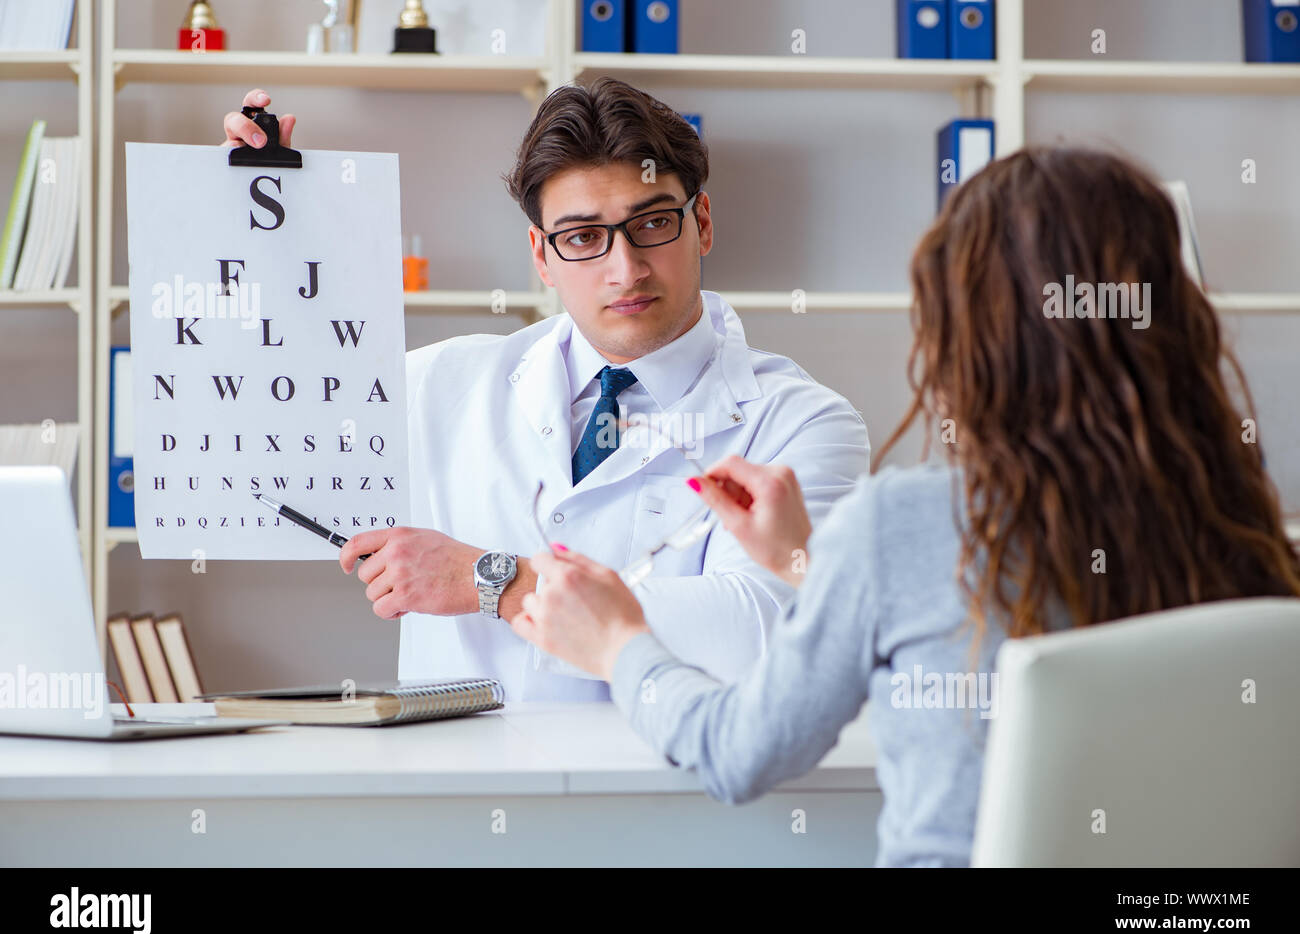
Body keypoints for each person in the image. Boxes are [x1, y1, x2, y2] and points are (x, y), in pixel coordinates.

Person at [507, 146, 1300, 865]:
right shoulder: (1242, 527)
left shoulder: (903, 521)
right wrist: (805, 561)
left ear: (972, 335)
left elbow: (735, 751)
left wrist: (618, 643)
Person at [221, 83, 869, 701]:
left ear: (700, 221)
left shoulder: (801, 423)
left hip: (672, 804)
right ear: (541, 255)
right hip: (462, 803)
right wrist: (258, 220)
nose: (626, 268)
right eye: (584, 237)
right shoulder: (437, 387)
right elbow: (249, 423)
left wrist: (497, 581)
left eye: (651, 224)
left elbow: (770, 632)